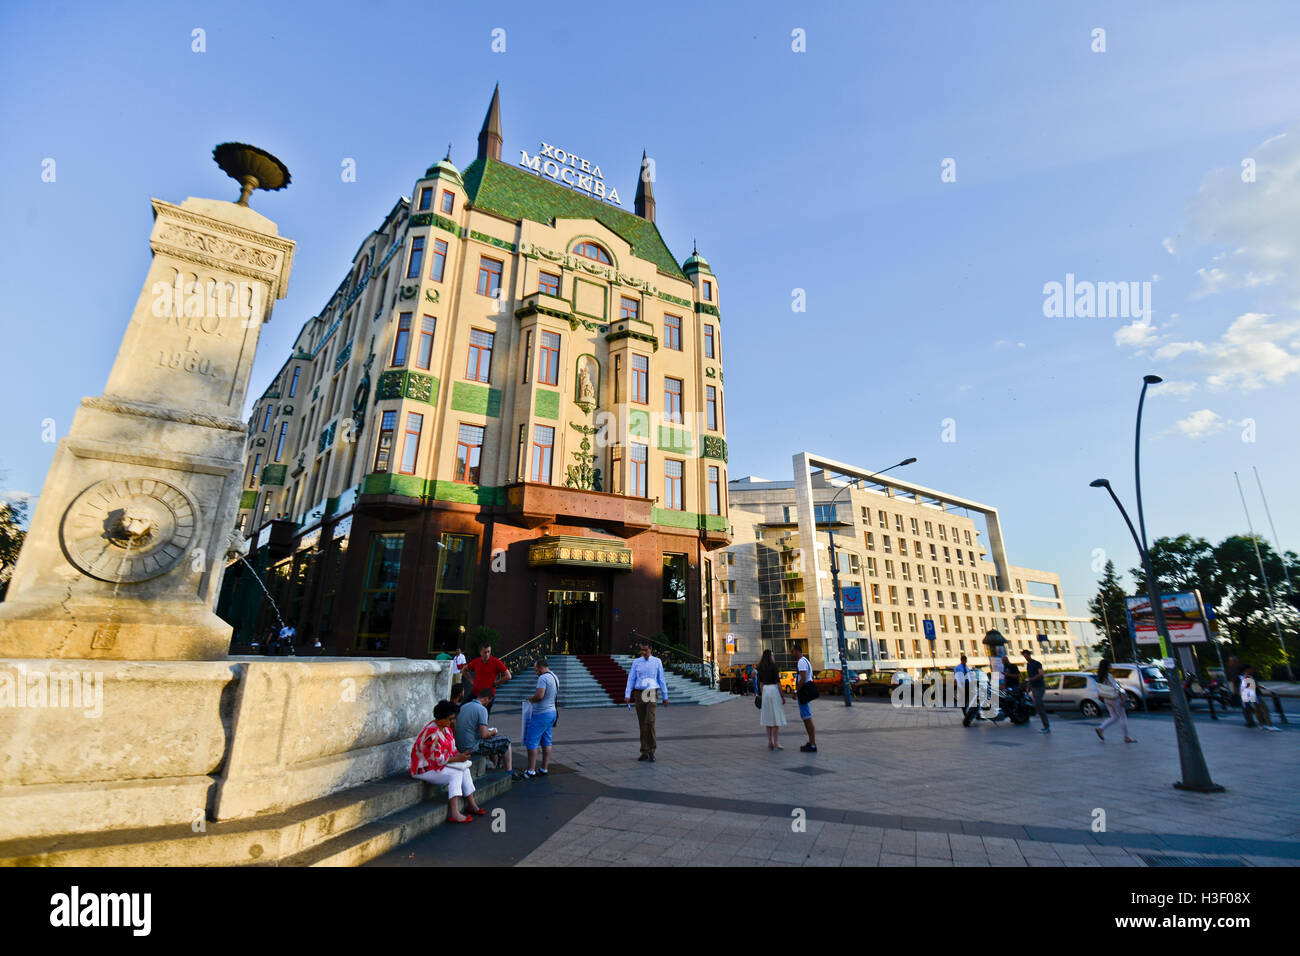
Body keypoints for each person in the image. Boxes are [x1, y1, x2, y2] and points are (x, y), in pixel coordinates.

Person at [410, 700, 483, 823]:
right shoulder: (431, 733)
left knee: (464, 769)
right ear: (441, 718)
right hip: (423, 768)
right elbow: (436, 759)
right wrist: (458, 759)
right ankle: (454, 813)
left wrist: (460, 755)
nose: (453, 721)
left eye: (453, 718)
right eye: (450, 719)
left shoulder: (446, 729)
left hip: (436, 766)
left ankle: (471, 803)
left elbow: (452, 749)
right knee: (456, 774)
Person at [624, 640, 669, 762]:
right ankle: (644, 750)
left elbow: (661, 679)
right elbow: (631, 679)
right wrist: (627, 694)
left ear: (651, 650)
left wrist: (665, 696)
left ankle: (652, 750)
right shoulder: (636, 662)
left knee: (650, 721)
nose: (643, 652)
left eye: (646, 650)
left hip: (652, 693)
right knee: (642, 724)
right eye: (642, 650)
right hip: (639, 693)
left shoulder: (657, 662)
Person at [455, 687, 514, 773]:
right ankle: (509, 772)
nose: (488, 704)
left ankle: (494, 764)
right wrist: (493, 731)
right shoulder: (481, 709)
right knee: (506, 741)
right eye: (489, 701)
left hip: (459, 745)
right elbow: (484, 735)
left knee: (493, 740)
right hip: (471, 748)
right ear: (486, 698)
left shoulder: (464, 706)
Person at [522, 658, 559, 777]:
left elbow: (539, 696)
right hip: (552, 713)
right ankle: (544, 768)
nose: (535, 672)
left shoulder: (543, 678)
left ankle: (531, 770)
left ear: (541, 667)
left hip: (541, 714)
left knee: (531, 741)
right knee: (546, 741)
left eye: (536, 669)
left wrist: (529, 699)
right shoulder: (554, 676)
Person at [1095, 659, 1136, 743]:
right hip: (1115, 698)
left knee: (1114, 717)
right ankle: (1126, 737)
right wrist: (1123, 698)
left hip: (1107, 699)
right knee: (1123, 717)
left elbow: (1100, 688)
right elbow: (1116, 688)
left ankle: (1101, 728)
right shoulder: (1108, 675)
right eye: (1110, 664)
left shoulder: (1100, 676)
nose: (1111, 665)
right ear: (1107, 666)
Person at [461, 644, 511, 713]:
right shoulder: (476, 661)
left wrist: (497, 683)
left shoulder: (496, 662)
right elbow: (464, 670)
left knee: (484, 716)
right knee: (462, 708)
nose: (487, 654)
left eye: (488, 652)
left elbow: (508, 676)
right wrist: (471, 680)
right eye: (485, 652)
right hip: (475, 693)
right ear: (480, 652)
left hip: (488, 696)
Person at [756, 649, 787, 750]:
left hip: (765, 690)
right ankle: (776, 742)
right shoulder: (774, 667)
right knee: (775, 718)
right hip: (773, 690)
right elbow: (778, 683)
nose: (773, 657)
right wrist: (782, 695)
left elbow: (760, 683)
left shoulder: (760, 667)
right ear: (769, 657)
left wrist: (762, 693)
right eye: (772, 655)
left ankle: (770, 741)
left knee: (768, 717)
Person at [1240, 665, 1279, 732]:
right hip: (1255, 695)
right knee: (1265, 709)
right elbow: (1251, 685)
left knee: (1257, 710)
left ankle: (1261, 725)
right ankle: (1269, 725)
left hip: (1252, 695)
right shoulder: (1247, 676)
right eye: (1251, 669)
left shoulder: (1245, 676)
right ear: (1247, 670)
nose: (1252, 670)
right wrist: (1261, 687)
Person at [1020, 648, 1049, 733]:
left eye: (1026, 656)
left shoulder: (1037, 663)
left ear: (1029, 655)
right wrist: (1028, 687)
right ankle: (1045, 725)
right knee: (1037, 705)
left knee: (1038, 704)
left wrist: (1031, 679)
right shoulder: (1028, 665)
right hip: (1034, 687)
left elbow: (1041, 674)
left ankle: (1046, 726)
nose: (1025, 657)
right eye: (1024, 656)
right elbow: (1029, 677)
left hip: (1040, 687)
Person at [794, 649, 817, 753]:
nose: (791, 654)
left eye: (792, 652)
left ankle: (812, 744)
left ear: (796, 651)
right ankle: (811, 742)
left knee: (807, 717)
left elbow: (803, 678)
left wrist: (795, 691)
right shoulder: (805, 660)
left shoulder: (801, 662)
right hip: (805, 691)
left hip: (804, 692)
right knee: (806, 717)